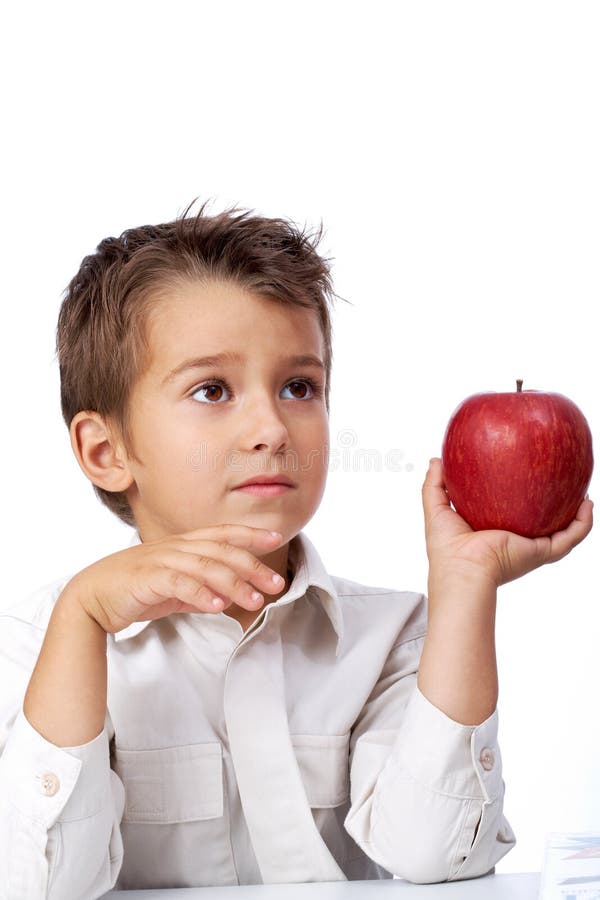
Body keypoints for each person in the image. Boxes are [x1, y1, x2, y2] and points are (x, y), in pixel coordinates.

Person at [0, 199, 592, 899]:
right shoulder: (41, 641)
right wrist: (83, 619)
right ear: (106, 452)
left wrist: (465, 586)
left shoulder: (395, 638)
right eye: (212, 389)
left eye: (299, 387)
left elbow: (436, 855)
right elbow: (37, 885)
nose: (272, 427)